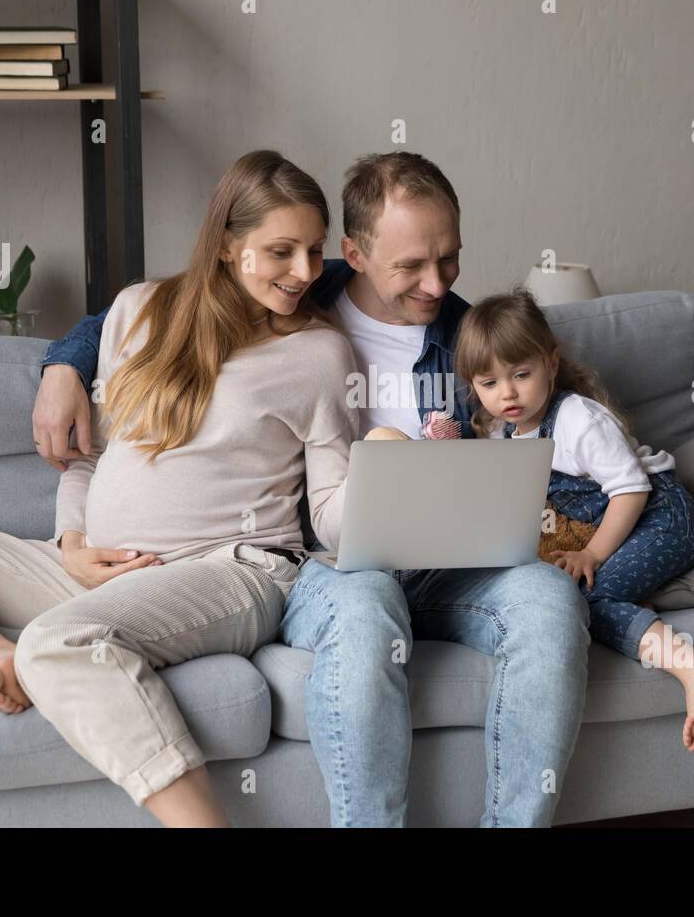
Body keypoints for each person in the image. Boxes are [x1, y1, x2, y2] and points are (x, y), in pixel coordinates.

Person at [34, 151, 591, 827]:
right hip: (327, 564)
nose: (435, 284)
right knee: (366, 600)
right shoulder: (300, 295)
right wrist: (63, 363)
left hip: (446, 564)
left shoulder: (473, 334)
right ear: (353, 254)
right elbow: (162, 312)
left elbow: (563, 417)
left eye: (449, 259)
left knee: (549, 598)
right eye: (410, 266)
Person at [0, 149, 357, 826]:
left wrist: (385, 466)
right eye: (280, 251)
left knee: (58, 642)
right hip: (93, 570)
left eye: (314, 251)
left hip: (230, 570)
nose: (306, 273)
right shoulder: (137, 312)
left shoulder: (319, 352)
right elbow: (88, 458)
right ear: (227, 246)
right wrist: (72, 541)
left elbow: (330, 513)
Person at [454, 289, 694, 752]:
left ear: (552, 362)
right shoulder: (502, 434)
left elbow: (631, 489)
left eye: (522, 374)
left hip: (660, 517)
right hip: (611, 526)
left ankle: (693, 666)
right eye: (489, 383)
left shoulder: (577, 418)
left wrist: (592, 554)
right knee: (554, 599)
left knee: (583, 601)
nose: (508, 393)